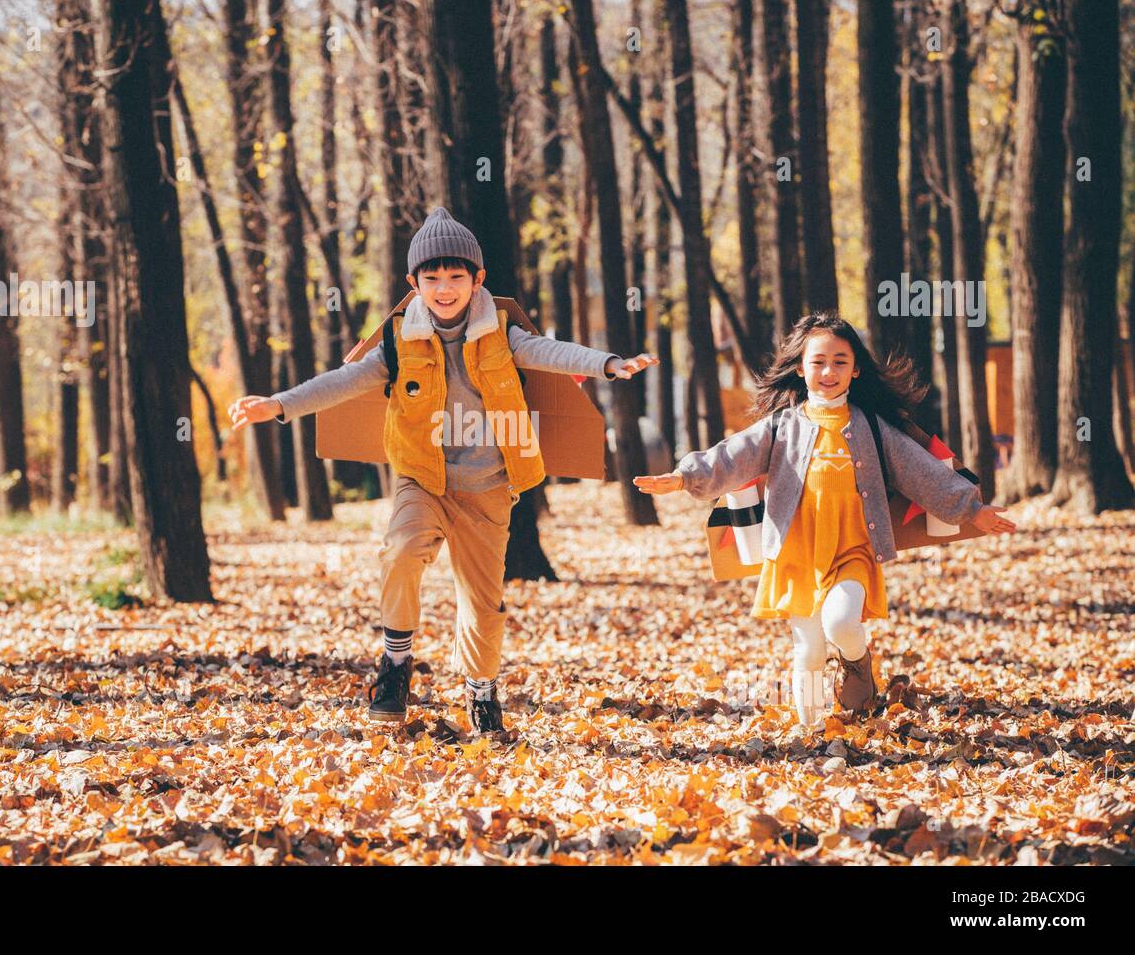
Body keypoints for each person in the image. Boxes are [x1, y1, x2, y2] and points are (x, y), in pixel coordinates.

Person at [229, 207, 657, 733]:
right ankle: (395, 664)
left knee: (483, 603)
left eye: (456, 276)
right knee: (402, 550)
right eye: (432, 279)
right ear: (414, 284)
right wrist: (278, 404)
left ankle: (481, 692)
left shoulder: (501, 332)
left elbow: (550, 352)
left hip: (488, 487)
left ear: (478, 280)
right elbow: (342, 382)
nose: (445, 288)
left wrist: (608, 364)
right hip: (423, 477)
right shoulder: (398, 341)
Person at [634, 312, 1017, 729]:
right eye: (818, 362)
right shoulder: (781, 427)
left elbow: (921, 472)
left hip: (853, 549)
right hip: (796, 553)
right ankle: (813, 732)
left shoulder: (872, 428)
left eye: (840, 361)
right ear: (800, 368)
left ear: (855, 370)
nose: (829, 371)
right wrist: (684, 477)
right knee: (809, 651)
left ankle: (858, 663)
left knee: (842, 624)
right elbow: (732, 456)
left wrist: (971, 509)